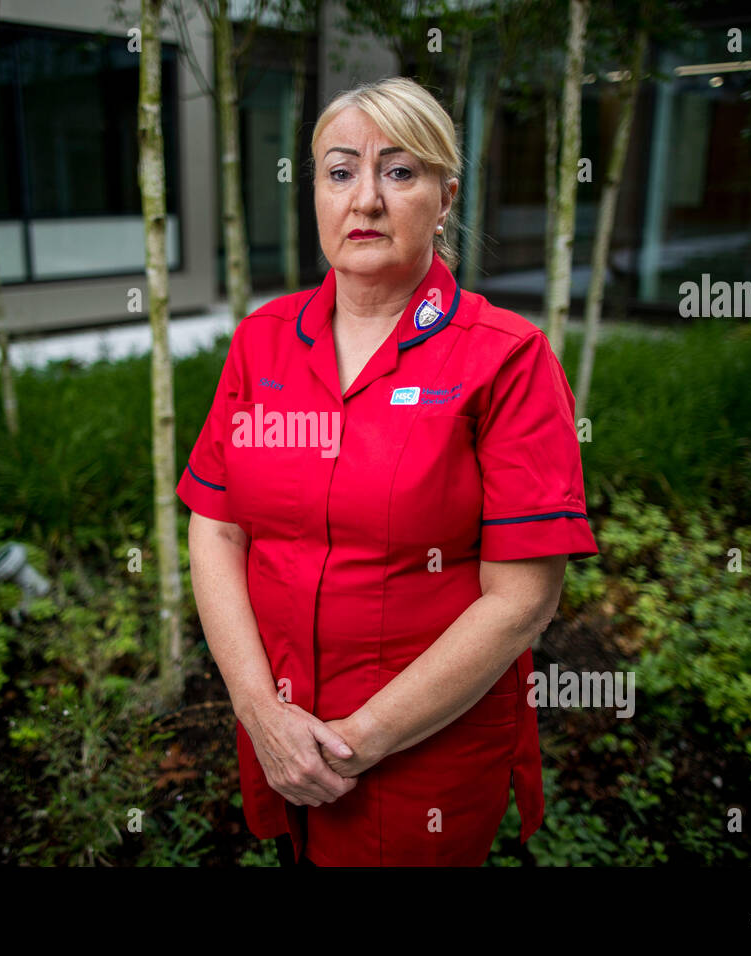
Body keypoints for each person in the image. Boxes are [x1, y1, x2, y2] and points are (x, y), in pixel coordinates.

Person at [176, 76, 598, 866]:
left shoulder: (505, 358)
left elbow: (521, 601)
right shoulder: (261, 342)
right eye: (340, 172)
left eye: (399, 172)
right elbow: (218, 528)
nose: (364, 199)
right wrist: (262, 714)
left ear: (444, 197)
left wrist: (349, 746)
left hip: (421, 754)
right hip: (279, 724)